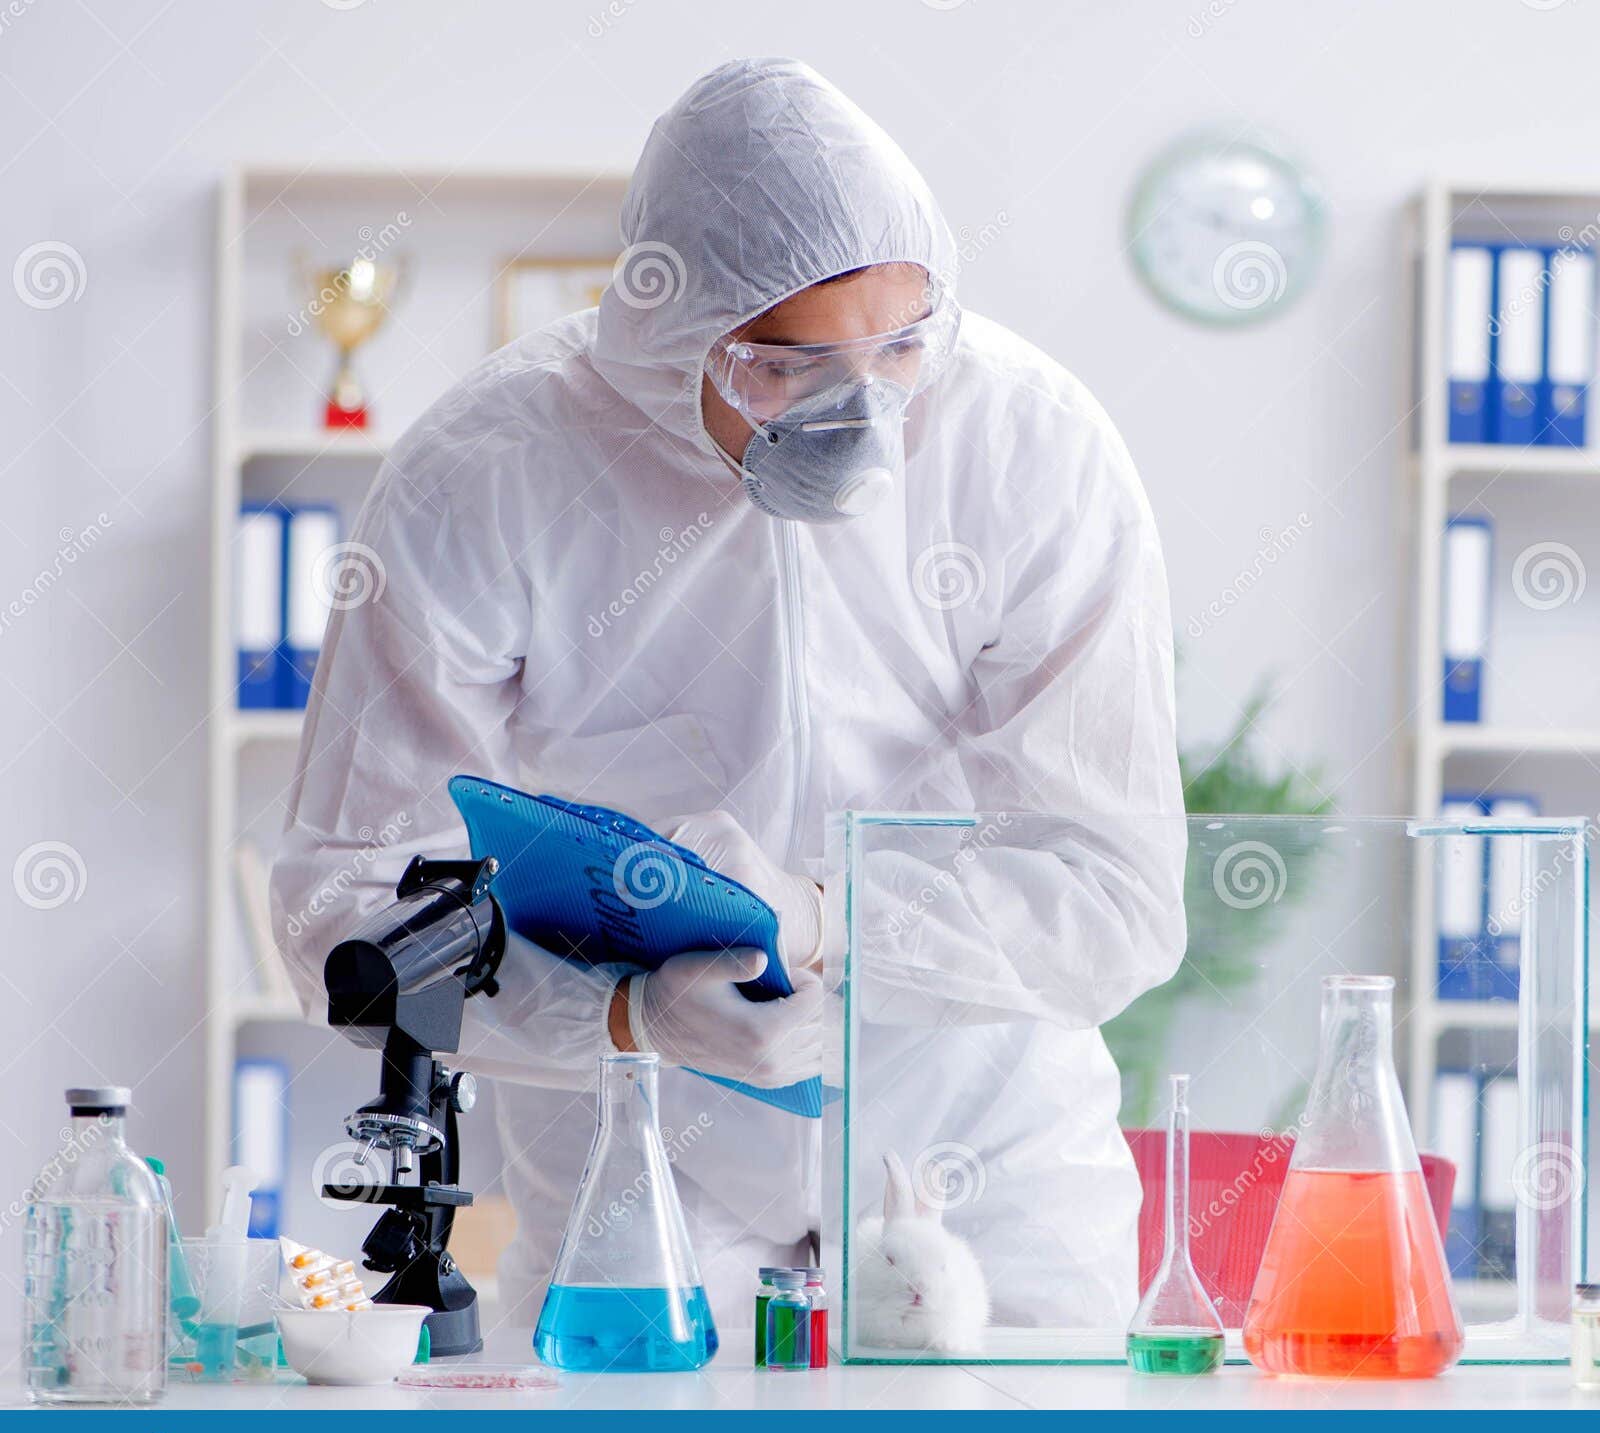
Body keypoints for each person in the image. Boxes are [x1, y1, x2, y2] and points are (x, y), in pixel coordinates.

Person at [272, 57, 1185, 1333]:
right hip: (637, 1148)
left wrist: (829, 916)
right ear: (665, 335)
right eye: (784, 368)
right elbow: (349, 902)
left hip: (981, 1150)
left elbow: (1114, 896)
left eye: (903, 346)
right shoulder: (490, 471)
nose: (859, 415)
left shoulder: (1030, 446)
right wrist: (627, 1020)